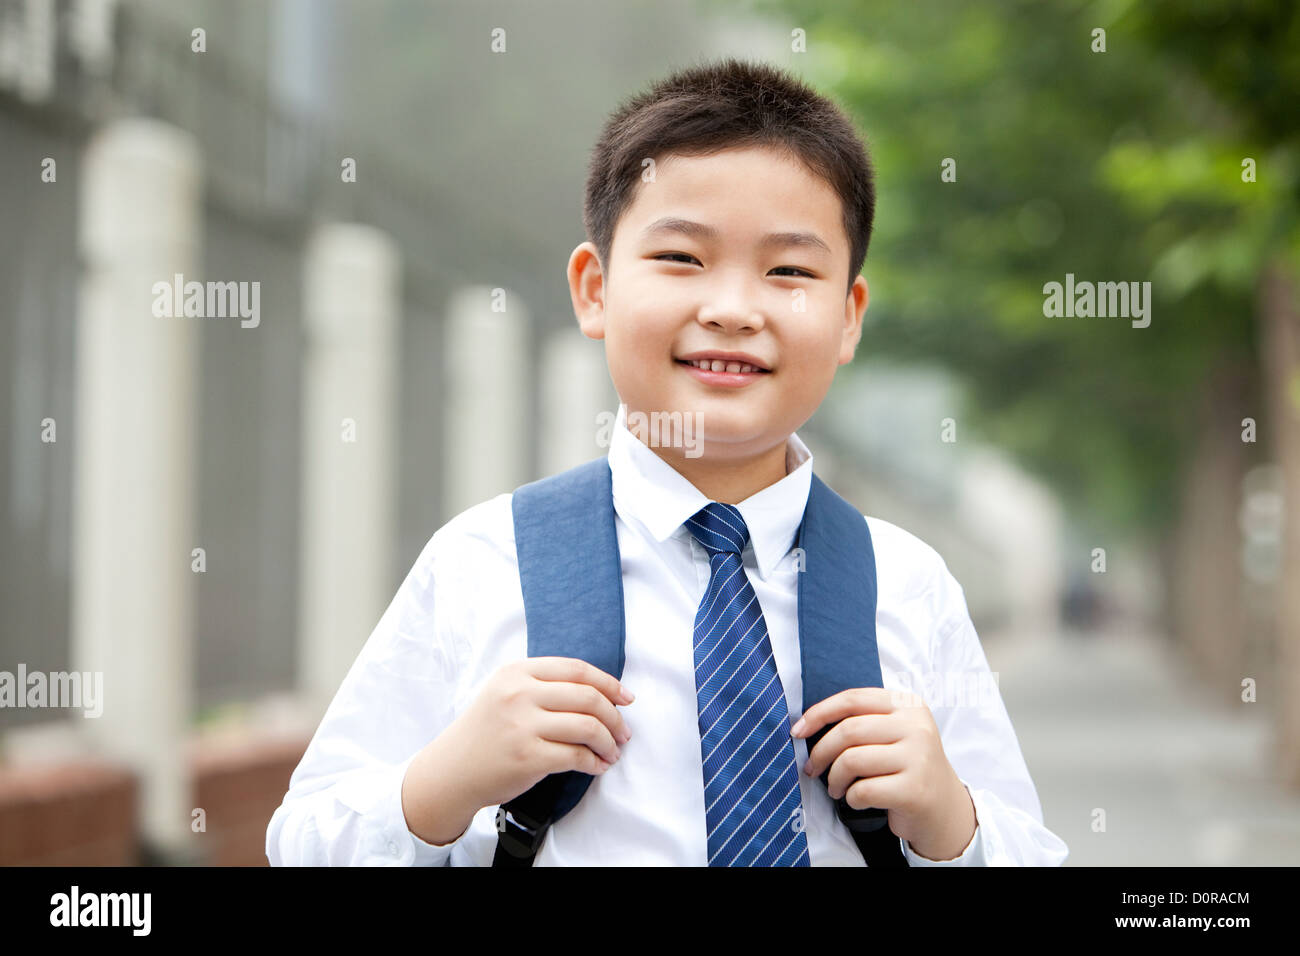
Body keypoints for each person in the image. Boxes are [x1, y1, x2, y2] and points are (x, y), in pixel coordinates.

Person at [266, 57, 1069, 866]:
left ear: (849, 316)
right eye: (682, 258)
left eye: (789, 271)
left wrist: (950, 820)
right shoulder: (486, 563)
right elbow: (303, 843)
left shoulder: (907, 583)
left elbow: (1028, 849)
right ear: (595, 289)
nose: (731, 310)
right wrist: (441, 783)